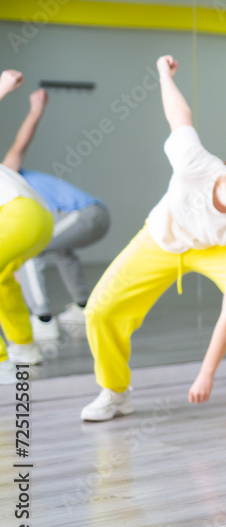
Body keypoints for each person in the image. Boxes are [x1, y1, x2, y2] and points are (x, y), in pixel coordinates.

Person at [80, 55, 226, 431]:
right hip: (161, 239)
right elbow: (179, 115)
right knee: (99, 311)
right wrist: (162, 74)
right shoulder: (195, 163)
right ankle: (115, 393)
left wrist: (207, 373)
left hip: (214, 250)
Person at [3, 88, 111, 341]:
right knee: (62, 250)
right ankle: (83, 307)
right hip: (92, 216)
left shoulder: (7, 172)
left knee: (29, 252)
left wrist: (36, 110)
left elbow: (21, 143)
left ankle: (42, 320)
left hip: (84, 214)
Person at [0, 69, 53, 384]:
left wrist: (3, 86)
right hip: (38, 217)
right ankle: (25, 348)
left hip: (16, 213)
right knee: (2, 280)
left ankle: (3, 364)